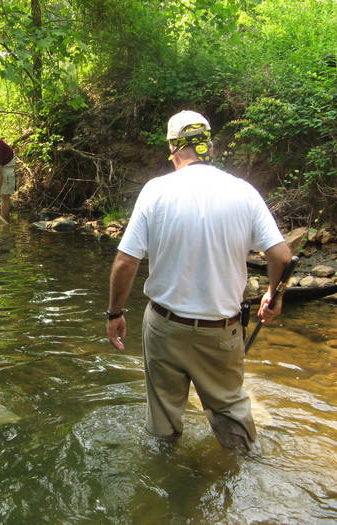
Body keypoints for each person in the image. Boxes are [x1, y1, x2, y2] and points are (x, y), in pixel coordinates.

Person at [105, 110, 292, 453]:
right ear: (210, 147)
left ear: (173, 149)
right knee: (231, 413)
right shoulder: (244, 192)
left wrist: (114, 313)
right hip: (221, 330)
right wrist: (273, 295)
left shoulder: (155, 191)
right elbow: (281, 257)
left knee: (162, 422)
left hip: (165, 326)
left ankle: (164, 487)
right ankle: (240, 477)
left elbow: (126, 262)